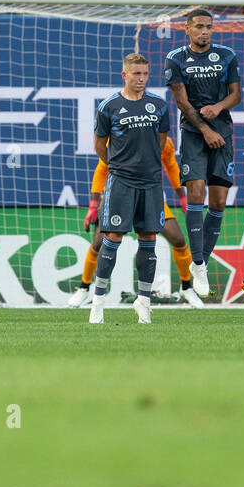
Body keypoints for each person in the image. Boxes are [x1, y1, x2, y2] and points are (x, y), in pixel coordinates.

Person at [72, 135, 203, 311]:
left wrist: (182, 198)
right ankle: (84, 288)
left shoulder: (164, 142)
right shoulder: (121, 136)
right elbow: (102, 167)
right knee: (98, 243)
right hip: (120, 195)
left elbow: (171, 167)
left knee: (178, 239)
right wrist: (93, 204)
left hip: (149, 196)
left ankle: (187, 288)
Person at [87, 53, 171, 326]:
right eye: (136, 74)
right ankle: (98, 302)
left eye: (145, 74)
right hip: (121, 181)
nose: (141, 79)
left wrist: (146, 163)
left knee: (149, 239)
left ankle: (144, 302)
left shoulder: (158, 105)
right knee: (112, 237)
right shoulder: (109, 106)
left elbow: (161, 142)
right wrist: (118, 165)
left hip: (151, 182)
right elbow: (100, 145)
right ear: (124, 75)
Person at [164, 8, 241, 296]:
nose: (204, 31)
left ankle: (201, 264)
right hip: (194, 133)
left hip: (224, 132)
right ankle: (198, 261)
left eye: (208, 26)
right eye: (199, 26)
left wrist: (219, 109)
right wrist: (206, 130)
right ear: (187, 29)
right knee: (196, 192)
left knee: (218, 202)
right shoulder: (176, 58)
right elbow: (182, 102)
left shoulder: (226, 55)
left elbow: (236, 94)